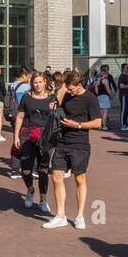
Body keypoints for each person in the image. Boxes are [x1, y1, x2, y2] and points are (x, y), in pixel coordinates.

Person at [42, 71, 100, 230]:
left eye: (71, 89)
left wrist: (78, 125)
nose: (68, 92)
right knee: (56, 176)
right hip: (62, 142)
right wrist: (54, 108)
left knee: (79, 179)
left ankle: (80, 215)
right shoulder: (66, 95)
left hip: (80, 144)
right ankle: (60, 215)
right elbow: (61, 112)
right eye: (67, 89)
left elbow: (97, 122)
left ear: (80, 86)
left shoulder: (90, 99)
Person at [13, 71, 56, 213]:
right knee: (25, 170)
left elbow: (57, 118)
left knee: (43, 169)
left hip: (45, 137)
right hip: (27, 135)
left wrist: (54, 110)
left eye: (40, 82)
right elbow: (20, 117)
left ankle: (43, 199)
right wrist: (16, 136)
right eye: (35, 82)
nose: (37, 85)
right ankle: (30, 190)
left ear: (45, 82)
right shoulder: (26, 97)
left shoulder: (52, 98)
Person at [92, 64, 117, 130]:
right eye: (106, 73)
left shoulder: (98, 81)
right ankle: (104, 126)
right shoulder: (105, 80)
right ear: (104, 73)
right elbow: (108, 90)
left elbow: (96, 90)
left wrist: (99, 95)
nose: (107, 74)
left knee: (100, 112)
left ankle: (100, 125)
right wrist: (111, 96)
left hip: (99, 97)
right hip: (105, 97)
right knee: (105, 112)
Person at [117, 64, 128, 131]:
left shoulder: (127, 76)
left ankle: (125, 124)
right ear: (123, 69)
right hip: (124, 95)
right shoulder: (122, 76)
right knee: (124, 110)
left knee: (127, 110)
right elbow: (121, 86)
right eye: (126, 68)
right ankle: (123, 125)